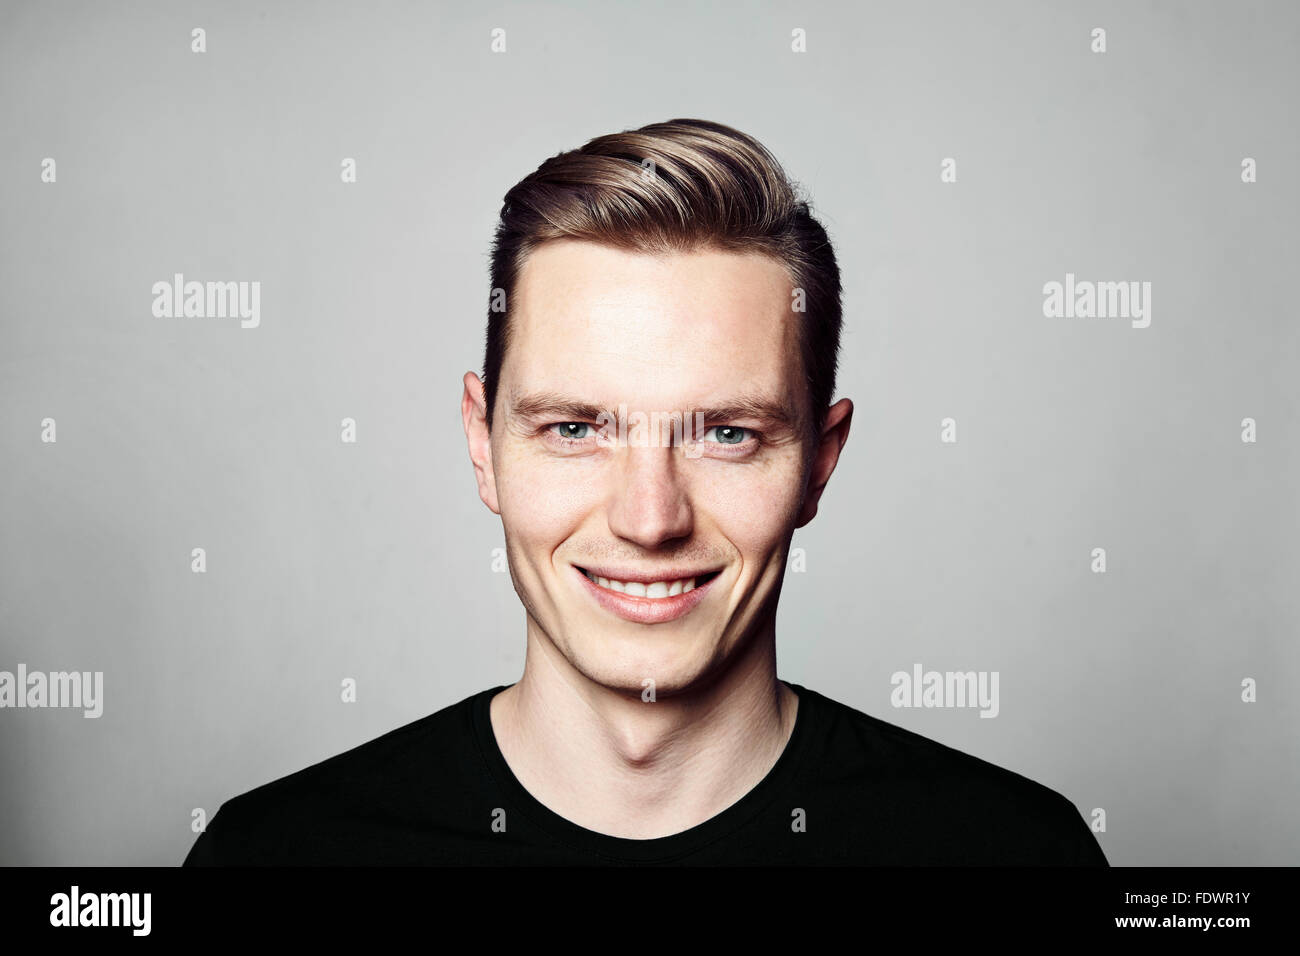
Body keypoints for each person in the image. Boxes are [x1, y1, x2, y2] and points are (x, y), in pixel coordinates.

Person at [184, 118, 1107, 865]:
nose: (649, 518)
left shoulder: (1013, 857)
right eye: (574, 429)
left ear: (819, 463)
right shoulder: (275, 859)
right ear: (482, 443)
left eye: (727, 434)